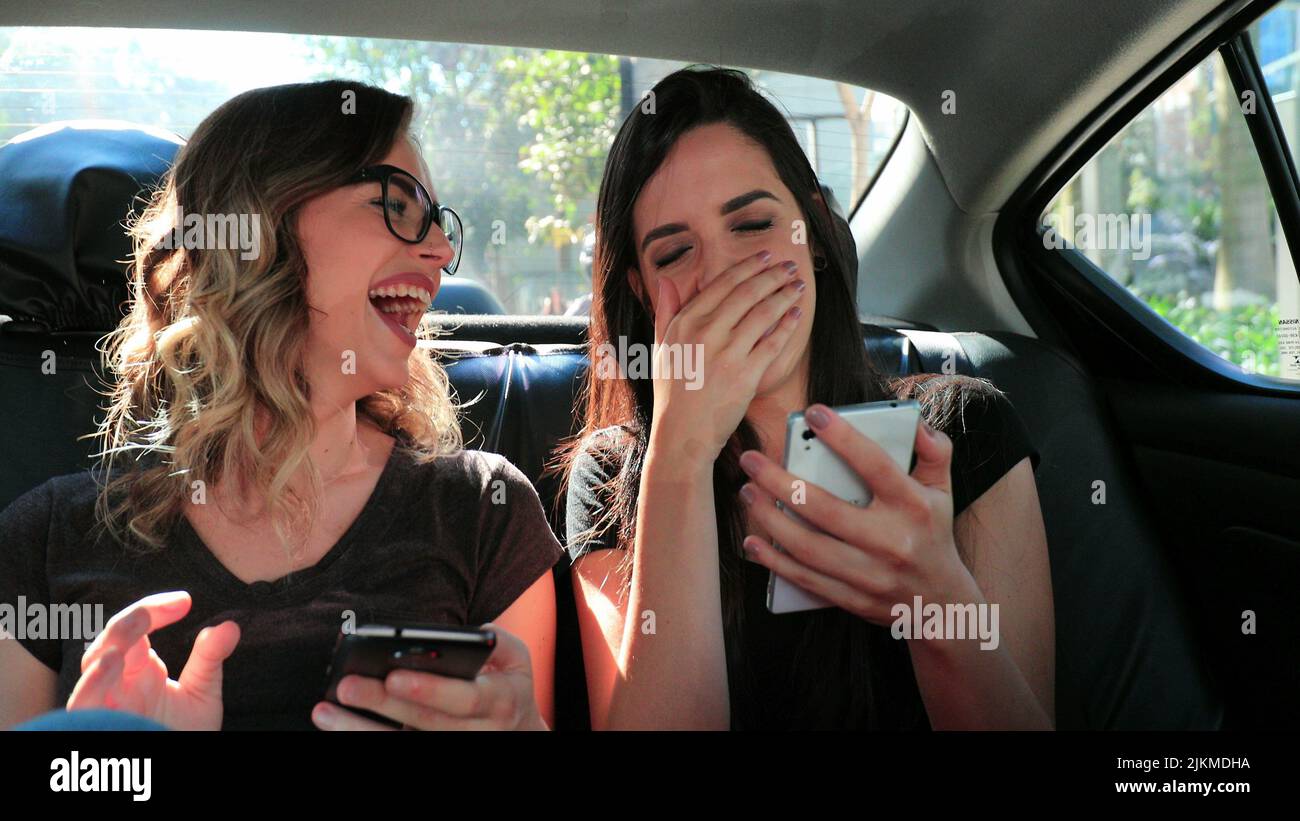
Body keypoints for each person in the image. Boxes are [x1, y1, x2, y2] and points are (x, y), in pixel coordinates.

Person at [0, 80, 562, 731]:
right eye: (398, 205)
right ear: (260, 223)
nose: (438, 252)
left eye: (440, 223)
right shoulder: (43, 539)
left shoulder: (482, 510)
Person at [557, 66, 1055, 730]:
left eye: (754, 223)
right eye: (675, 253)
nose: (724, 274)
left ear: (814, 233)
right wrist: (679, 453)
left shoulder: (963, 432)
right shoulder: (615, 475)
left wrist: (936, 600)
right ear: (644, 294)